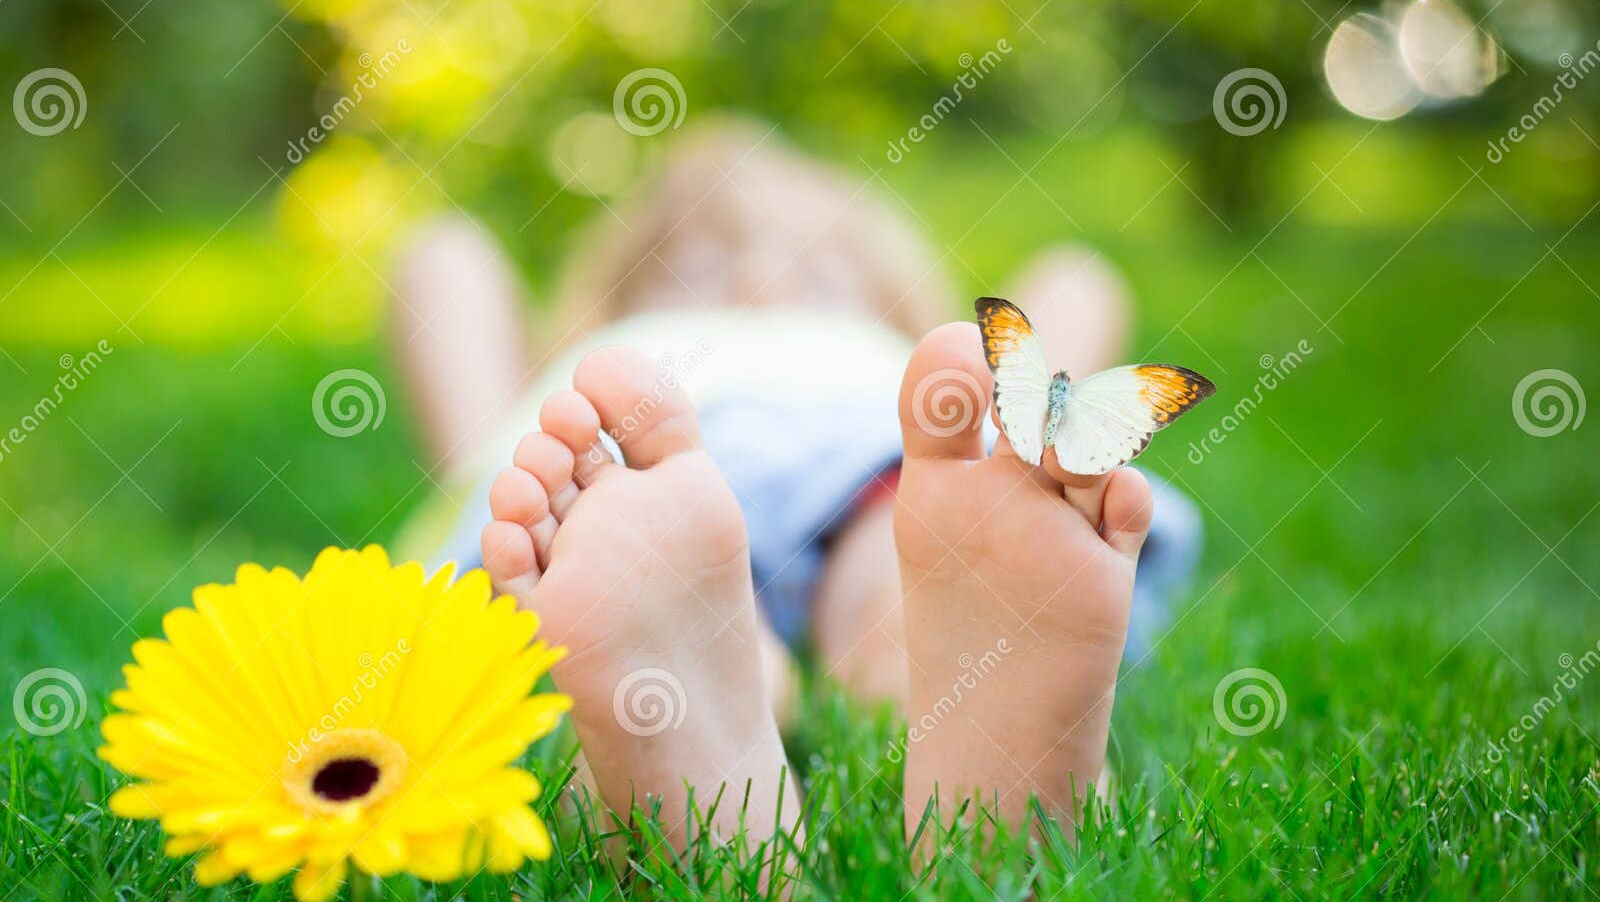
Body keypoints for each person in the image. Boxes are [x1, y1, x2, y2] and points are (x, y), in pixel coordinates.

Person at [388, 120, 1201, 857]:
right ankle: (704, 696)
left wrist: (1020, 425)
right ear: (605, 308)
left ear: (901, 311)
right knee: (645, 577)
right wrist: (492, 452)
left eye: (824, 275)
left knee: (905, 581)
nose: (760, 284)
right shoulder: (579, 406)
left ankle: (941, 691)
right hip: (637, 481)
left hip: (876, 466)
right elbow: (440, 261)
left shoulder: (905, 368)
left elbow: (1079, 280)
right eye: (699, 269)